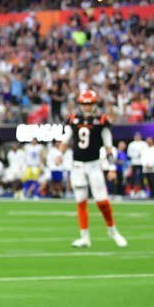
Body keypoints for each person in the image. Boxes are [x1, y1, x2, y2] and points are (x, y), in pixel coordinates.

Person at [67, 89, 127, 248]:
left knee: (102, 202)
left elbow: (108, 147)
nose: (87, 107)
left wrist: (112, 167)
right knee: (81, 202)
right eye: (85, 104)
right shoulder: (74, 119)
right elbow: (66, 140)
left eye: (90, 104)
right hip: (77, 165)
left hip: (94, 165)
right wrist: (59, 153)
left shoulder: (101, 120)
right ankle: (84, 237)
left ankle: (112, 230)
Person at [125, 132, 148, 198]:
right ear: (134, 137)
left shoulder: (144, 144)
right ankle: (133, 191)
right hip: (134, 163)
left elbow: (146, 153)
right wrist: (137, 154)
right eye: (136, 136)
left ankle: (142, 191)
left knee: (142, 178)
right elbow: (129, 153)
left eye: (139, 136)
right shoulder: (131, 144)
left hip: (142, 163)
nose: (137, 137)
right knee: (133, 177)